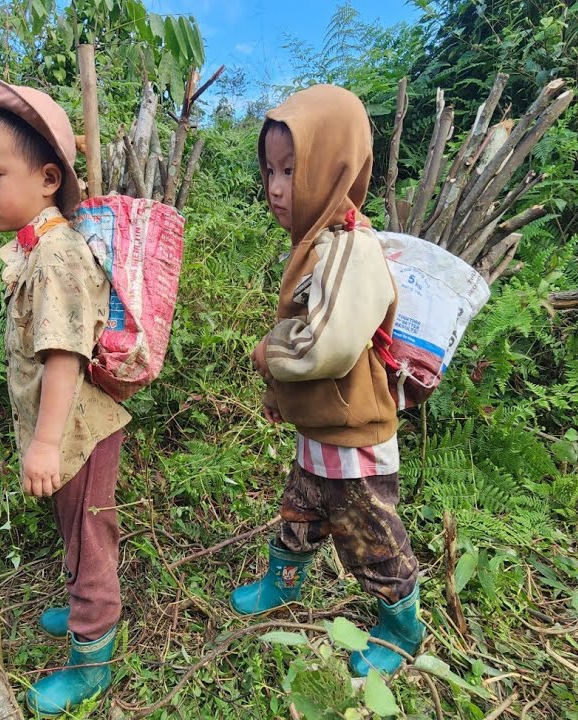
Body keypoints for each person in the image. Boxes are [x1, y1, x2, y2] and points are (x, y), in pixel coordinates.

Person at [235, 84, 424, 676]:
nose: (275, 185)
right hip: (321, 428)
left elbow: (328, 345)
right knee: (301, 508)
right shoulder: (315, 245)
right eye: (270, 169)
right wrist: (279, 396)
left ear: (334, 168)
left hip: (354, 439)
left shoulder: (352, 248)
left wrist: (271, 356)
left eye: (292, 169)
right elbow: (303, 324)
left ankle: (400, 626)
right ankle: (284, 582)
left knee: (369, 537)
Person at [0, 77, 131, 715]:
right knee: (72, 527)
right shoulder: (37, 249)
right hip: (66, 431)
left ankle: (95, 649)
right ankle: (84, 606)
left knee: (90, 536)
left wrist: (46, 442)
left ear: (49, 179)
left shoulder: (57, 257)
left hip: (79, 430)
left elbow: (63, 356)